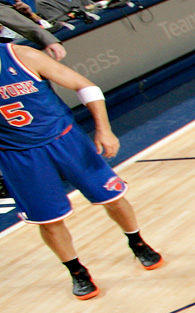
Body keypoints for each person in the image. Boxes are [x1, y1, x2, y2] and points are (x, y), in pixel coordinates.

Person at [0, 37, 162, 298]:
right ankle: (77, 272)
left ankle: (137, 242)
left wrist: (104, 129)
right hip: (18, 155)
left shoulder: (22, 56)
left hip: (65, 139)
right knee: (49, 220)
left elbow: (86, 86)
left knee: (112, 197)